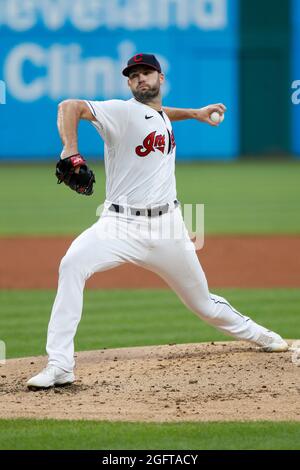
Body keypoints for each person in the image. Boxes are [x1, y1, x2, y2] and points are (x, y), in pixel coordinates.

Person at [27, 53, 288, 389]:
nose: (140, 79)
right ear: (129, 83)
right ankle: (60, 365)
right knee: (72, 264)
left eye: (146, 73)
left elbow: (161, 114)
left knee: (204, 304)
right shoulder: (121, 112)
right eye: (133, 75)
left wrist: (194, 114)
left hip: (168, 228)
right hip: (117, 226)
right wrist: (70, 150)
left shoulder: (159, 114)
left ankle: (262, 335)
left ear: (160, 78)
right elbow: (69, 106)